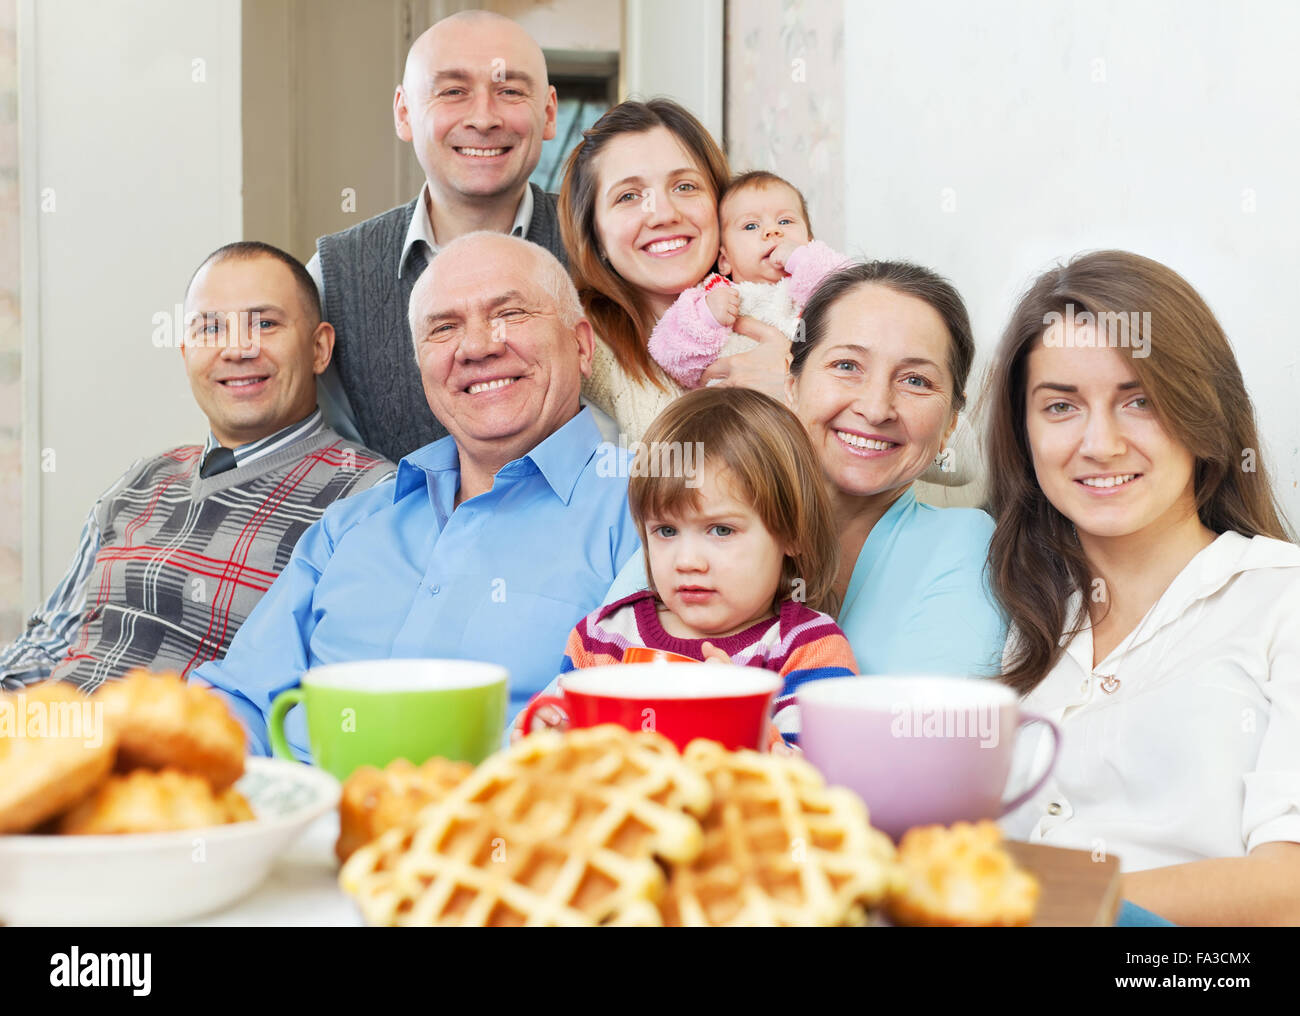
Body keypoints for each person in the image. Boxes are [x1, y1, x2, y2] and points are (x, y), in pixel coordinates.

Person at [191, 233, 640, 756]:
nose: (477, 347)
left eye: (510, 314)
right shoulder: (352, 525)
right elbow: (238, 697)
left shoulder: (647, 515)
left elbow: (641, 726)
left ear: (581, 346)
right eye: (444, 328)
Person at [986, 250, 1300, 926]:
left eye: (1139, 401)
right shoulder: (1007, 606)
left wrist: (1018, 904)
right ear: (1024, 430)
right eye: (1061, 405)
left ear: (1202, 412)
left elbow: (1289, 891)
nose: (1099, 443)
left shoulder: (1283, 601)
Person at [0, 242, 393, 691]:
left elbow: (334, 695)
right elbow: (48, 641)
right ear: (186, 352)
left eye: (264, 323)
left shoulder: (370, 497)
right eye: (211, 329)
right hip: (41, 737)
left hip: (184, 753)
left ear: (319, 348)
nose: (237, 350)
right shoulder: (142, 479)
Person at [531, 388, 858, 746]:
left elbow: (816, 781)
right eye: (666, 531)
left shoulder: (806, 647)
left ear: (793, 532)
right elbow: (564, 755)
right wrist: (545, 742)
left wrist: (738, 716)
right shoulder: (603, 636)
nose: (687, 561)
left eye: (721, 530)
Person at [307, 10, 564, 463]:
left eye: (509, 91)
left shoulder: (607, 244)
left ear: (547, 113)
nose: (483, 118)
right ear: (404, 113)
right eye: (453, 91)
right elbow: (310, 452)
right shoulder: (334, 276)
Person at [647, 171, 850, 389]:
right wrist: (708, 318)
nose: (772, 231)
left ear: (811, 242)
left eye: (785, 221)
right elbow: (670, 355)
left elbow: (855, 295)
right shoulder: (710, 295)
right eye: (751, 226)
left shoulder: (815, 288)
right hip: (734, 412)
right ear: (725, 260)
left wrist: (802, 260)